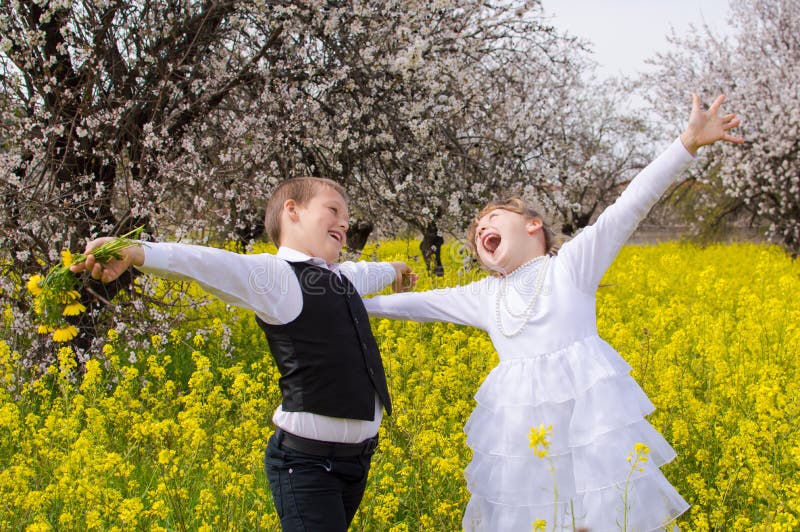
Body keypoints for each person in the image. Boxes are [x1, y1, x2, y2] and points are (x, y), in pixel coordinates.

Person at [363, 94, 744, 531]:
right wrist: (347, 298)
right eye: (475, 232)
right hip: (525, 446)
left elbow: (629, 207)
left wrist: (687, 143)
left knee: (599, 519)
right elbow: (416, 306)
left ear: (533, 226)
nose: (481, 228)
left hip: (591, 432)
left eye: (492, 218)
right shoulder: (486, 296)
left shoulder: (571, 268)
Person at [70, 177, 415, 532]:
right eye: (333, 210)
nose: (344, 222)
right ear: (292, 211)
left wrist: (396, 270)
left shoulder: (338, 277)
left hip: (356, 462)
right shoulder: (274, 275)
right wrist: (135, 251)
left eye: (346, 216)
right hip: (309, 464)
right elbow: (205, 262)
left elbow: (365, 272)